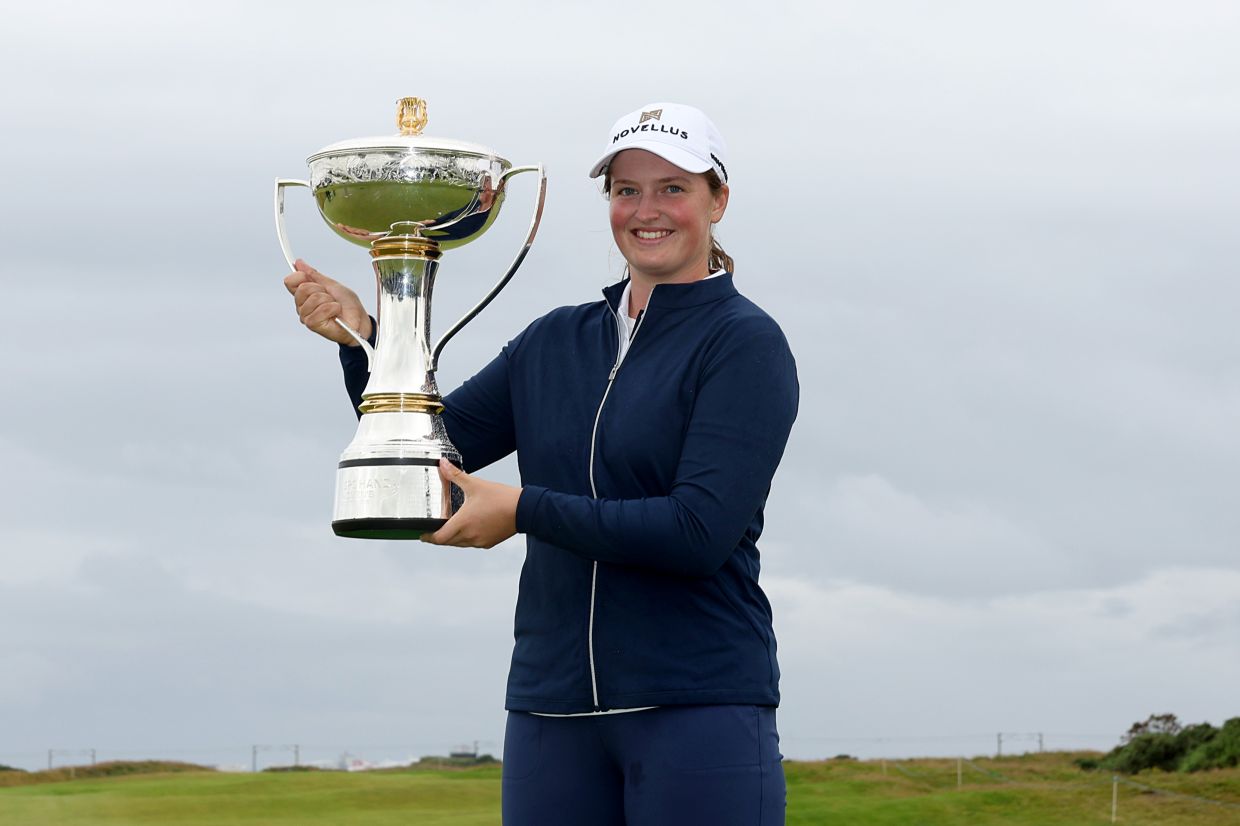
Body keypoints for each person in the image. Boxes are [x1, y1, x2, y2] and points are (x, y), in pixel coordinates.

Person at [284, 102, 799, 826]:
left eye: (673, 188)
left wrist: (524, 511)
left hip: (697, 703)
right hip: (550, 708)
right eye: (626, 190)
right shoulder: (554, 340)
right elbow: (439, 452)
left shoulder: (744, 343)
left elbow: (697, 532)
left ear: (717, 200)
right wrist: (366, 341)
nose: (646, 210)